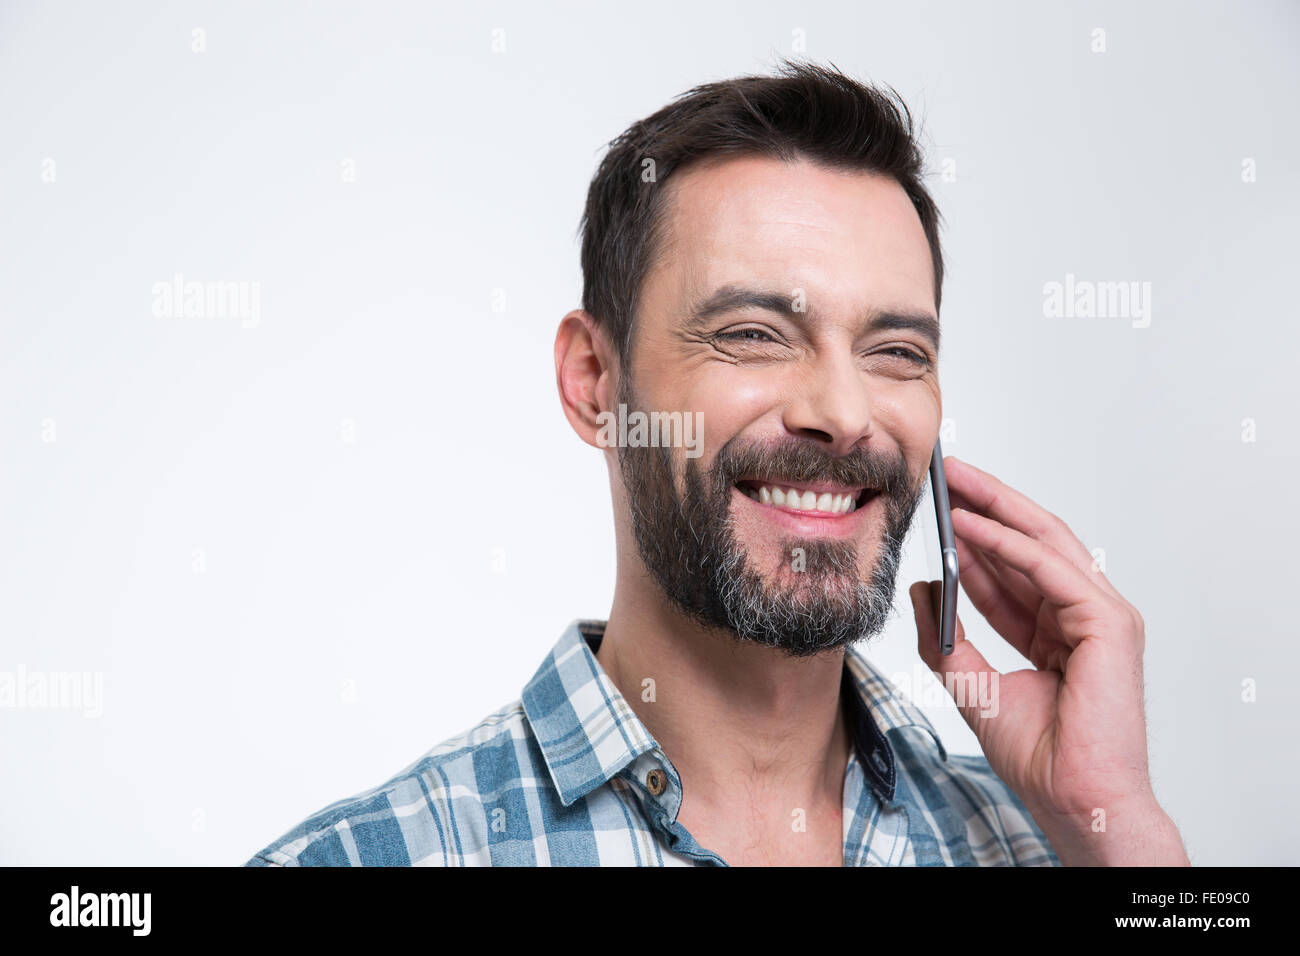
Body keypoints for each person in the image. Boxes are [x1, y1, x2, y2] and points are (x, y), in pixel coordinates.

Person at [246, 60, 1188, 867]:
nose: (843, 414)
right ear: (593, 383)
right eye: (752, 333)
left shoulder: (1051, 847)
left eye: (897, 351)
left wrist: (1117, 827)